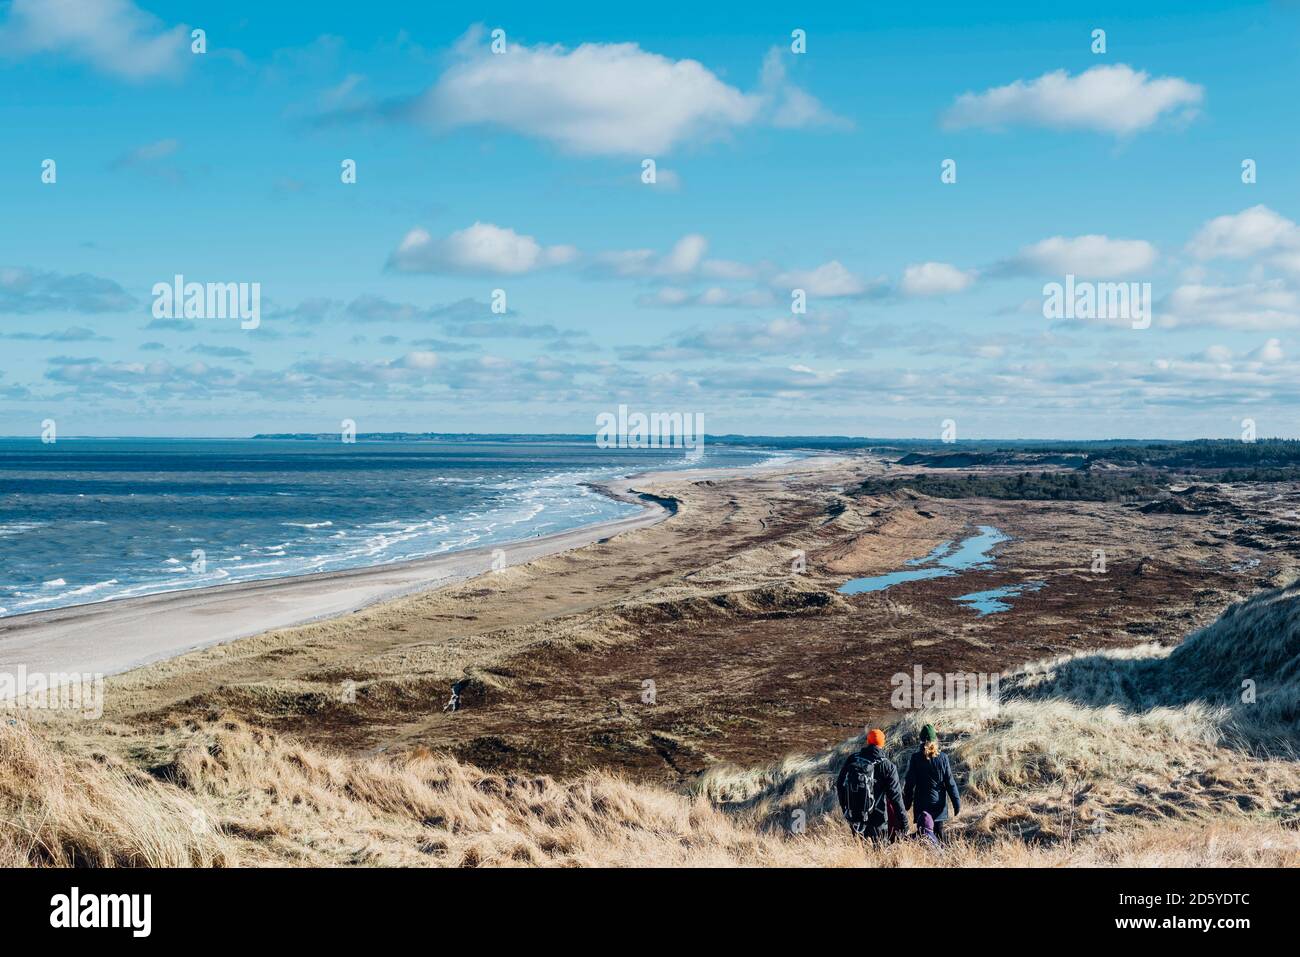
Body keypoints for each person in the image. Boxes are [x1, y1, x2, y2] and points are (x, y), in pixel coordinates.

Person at [834, 728, 906, 843]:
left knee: (861, 853)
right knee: (880, 853)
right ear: (882, 744)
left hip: (856, 817)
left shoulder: (853, 759)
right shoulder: (887, 766)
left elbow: (840, 785)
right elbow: (896, 797)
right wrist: (904, 823)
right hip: (879, 820)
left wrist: (846, 809)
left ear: (868, 742)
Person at [903, 724, 961, 841]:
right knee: (939, 833)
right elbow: (950, 783)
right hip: (938, 804)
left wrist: (907, 804)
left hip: (921, 805)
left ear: (920, 740)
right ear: (935, 740)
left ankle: (925, 856)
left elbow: (909, 783)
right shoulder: (943, 758)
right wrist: (956, 803)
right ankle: (944, 855)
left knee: (923, 834)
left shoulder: (915, 758)